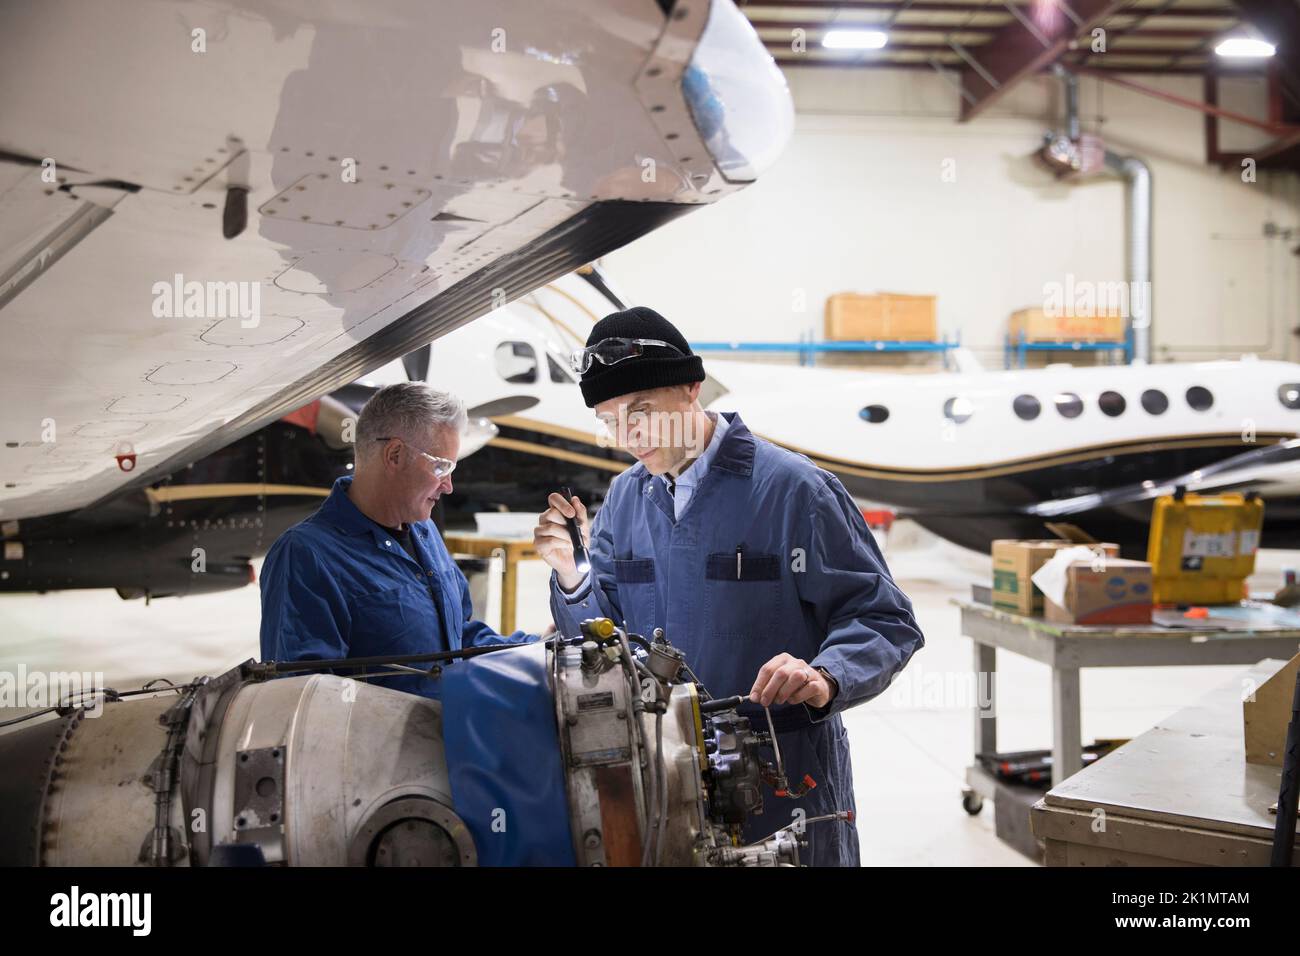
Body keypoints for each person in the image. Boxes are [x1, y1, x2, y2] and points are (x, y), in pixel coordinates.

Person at [533, 306, 924, 866]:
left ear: (693, 388)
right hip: (665, 774)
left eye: (641, 410)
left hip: (782, 773)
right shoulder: (624, 499)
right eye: (610, 418)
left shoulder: (795, 491)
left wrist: (825, 675)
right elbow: (605, 643)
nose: (627, 434)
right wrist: (571, 575)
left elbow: (884, 619)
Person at [260, 383, 534, 697]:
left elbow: (460, 639)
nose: (449, 487)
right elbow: (302, 698)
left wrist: (536, 650)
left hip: (449, 740)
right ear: (394, 455)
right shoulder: (305, 556)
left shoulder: (425, 532)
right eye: (441, 467)